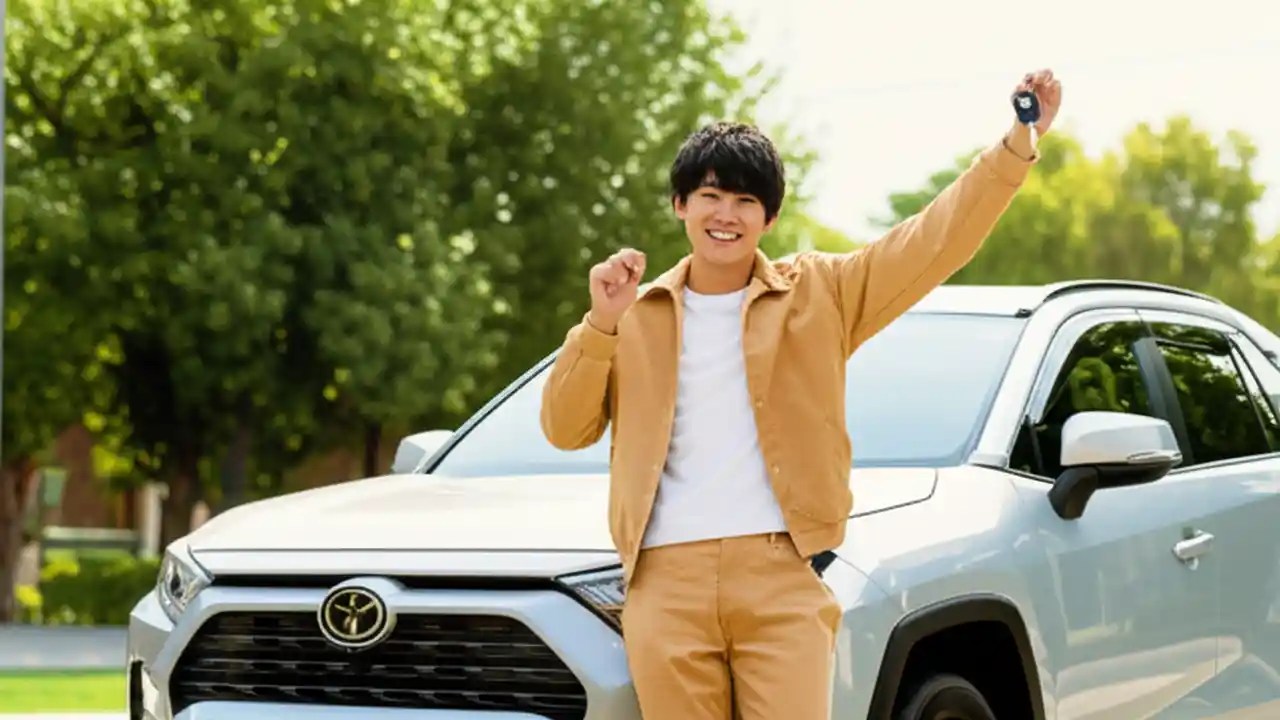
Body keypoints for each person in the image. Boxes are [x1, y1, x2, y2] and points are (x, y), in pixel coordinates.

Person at [540, 69, 1062, 719]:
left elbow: (934, 239)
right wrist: (599, 324)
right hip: (664, 585)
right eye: (710, 196)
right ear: (680, 204)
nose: (726, 215)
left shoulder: (821, 293)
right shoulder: (634, 313)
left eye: (745, 201)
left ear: (770, 215)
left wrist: (1017, 141)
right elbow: (564, 428)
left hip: (781, 578)